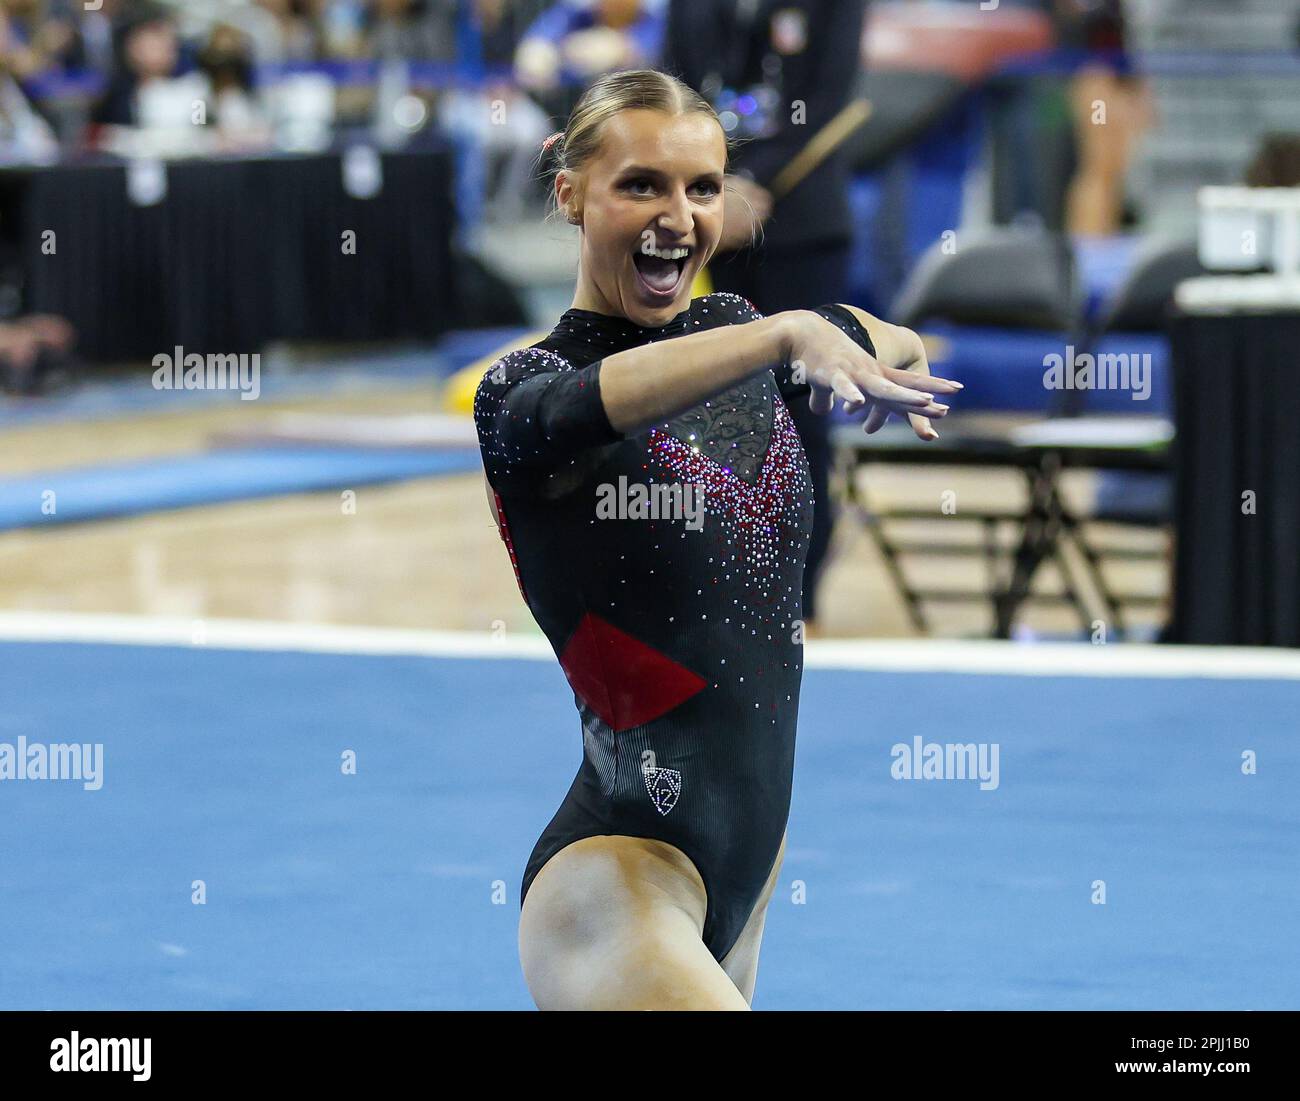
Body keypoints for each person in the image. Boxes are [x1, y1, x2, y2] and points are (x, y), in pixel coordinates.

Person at [473, 68, 959, 1010]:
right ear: (569, 192)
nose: (678, 215)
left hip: (744, 874)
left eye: (703, 188)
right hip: (614, 882)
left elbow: (884, 335)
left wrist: (886, 353)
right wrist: (787, 336)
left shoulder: (735, 329)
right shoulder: (521, 395)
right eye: (641, 184)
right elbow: (594, 401)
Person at [661, 0, 870, 636]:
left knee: (804, 414)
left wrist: (758, 177)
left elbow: (828, 99)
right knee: (729, 413)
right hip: (723, 225)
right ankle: (731, 581)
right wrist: (714, 184)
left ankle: (800, 598)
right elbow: (678, 93)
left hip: (803, 228)